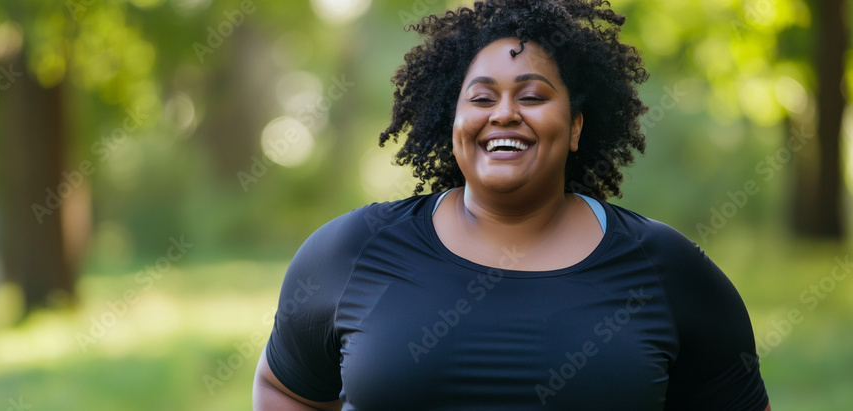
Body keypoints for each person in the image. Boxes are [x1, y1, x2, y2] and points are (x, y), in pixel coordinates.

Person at [253, 0, 771, 409]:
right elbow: (285, 390)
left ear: (575, 127)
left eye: (532, 96)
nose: (504, 113)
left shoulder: (667, 268)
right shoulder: (351, 251)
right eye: (481, 98)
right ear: (450, 122)